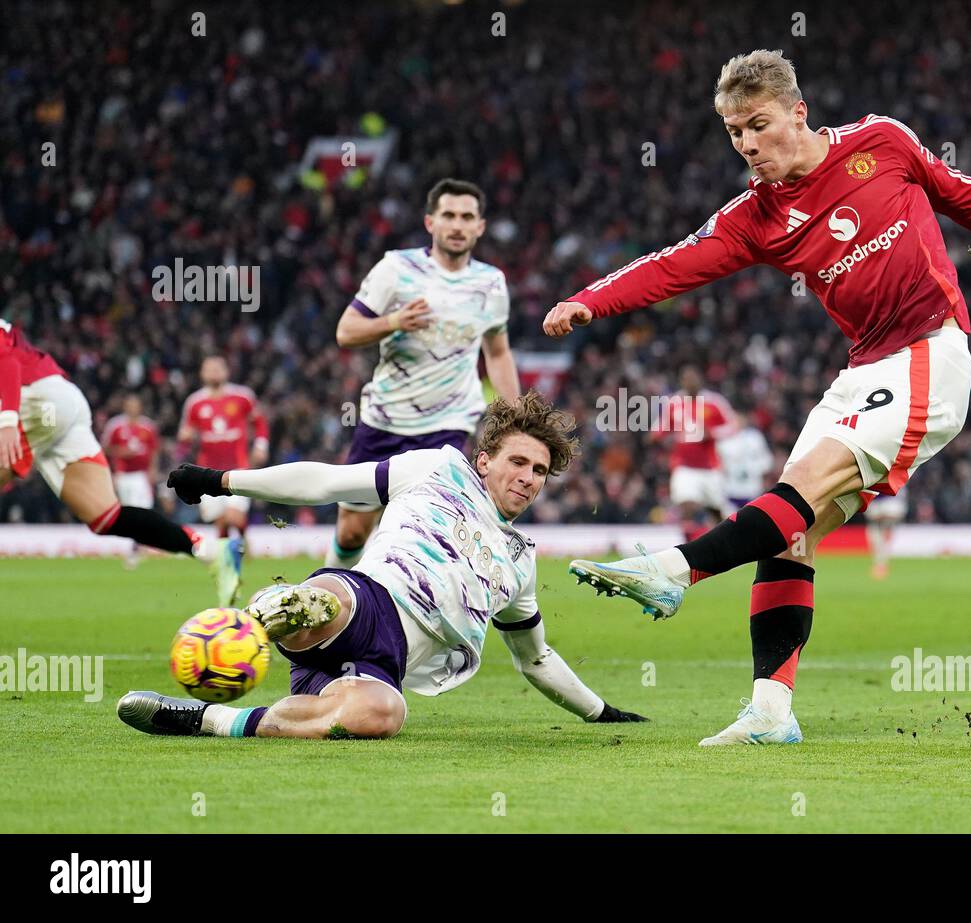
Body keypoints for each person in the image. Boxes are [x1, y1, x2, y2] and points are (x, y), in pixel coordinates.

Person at [544, 49, 971, 745]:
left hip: (930, 353)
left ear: (798, 111)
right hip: (863, 371)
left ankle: (674, 569)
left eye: (758, 125)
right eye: (734, 132)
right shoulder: (753, 217)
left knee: (800, 493)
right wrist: (589, 301)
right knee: (789, 530)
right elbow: (672, 265)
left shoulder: (882, 141)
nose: (747, 145)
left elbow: (956, 190)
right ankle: (770, 710)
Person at [117, 392, 646, 739]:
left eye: (540, 471)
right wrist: (222, 481)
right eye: (518, 461)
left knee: (383, 717)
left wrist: (599, 711)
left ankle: (205, 718)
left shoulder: (520, 563)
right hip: (366, 601)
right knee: (311, 602)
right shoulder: (439, 468)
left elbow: (536, 659)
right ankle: (254, 621)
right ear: (484, 460)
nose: (529, 477)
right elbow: (326, 482)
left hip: (386, 664)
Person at [328, 179, 520, 570]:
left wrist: (516, 415)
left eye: (467, 217)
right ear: (430, 222)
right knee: (352, 533)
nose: (457, 225)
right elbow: (346, 332)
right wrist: (395, 321)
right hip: (385, 419)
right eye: (448, 215)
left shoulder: (490, 283)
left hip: (447, 424)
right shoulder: (397, 268)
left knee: (426, 528)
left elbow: (497, 352)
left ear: (480, 227)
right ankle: (320, 594)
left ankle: (408, 616)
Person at [0, 318, 241, 601]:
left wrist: (7, 420)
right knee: (105, 517)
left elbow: (7, 361)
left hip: (34, 400)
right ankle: (211, 552)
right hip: (62, 401)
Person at [177, 355, 269, 548]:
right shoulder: (195, 403)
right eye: (209, 369)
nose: (214, 372)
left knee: (233, 516)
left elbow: (259, 422)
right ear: (202, 373)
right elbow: (185, 434)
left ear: (226, 371)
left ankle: (242, 540)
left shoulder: (242, 396)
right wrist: (185, 440)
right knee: (221, 521)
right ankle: (227, 562)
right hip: (207, 471)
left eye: (218, 368)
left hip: (238, 467)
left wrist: (261, 446)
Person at [658, 366, 737, 540]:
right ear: (682, 381)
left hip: (710, 467)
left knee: (716, 510)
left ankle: (721, 544)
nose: (691, 382)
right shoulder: (673, 403)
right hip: (684, 465)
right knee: (686, 504)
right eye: (687, 378)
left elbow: (733, 426)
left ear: (700, 380)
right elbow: (662, 428)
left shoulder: (714, 402)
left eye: (693, 378)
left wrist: (713, 433)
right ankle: (688, 549)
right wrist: (657, 436)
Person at [101, 394, 160, 569]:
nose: (133, 408)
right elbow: (105, 448)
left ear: (140, 407)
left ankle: (137, 548)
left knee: (143, 509)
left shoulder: (148, 427)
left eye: (136, 405)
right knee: (131, 511)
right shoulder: (115, 426)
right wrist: (121, 453)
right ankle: (138, 546)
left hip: (141, 475)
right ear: (125, 406)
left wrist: (152, 470)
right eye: (130, 404)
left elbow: (154, 450)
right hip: (123, 475)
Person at [865, 486, 907, 580]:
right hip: (875, 505)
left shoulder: (895, 479)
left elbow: (900, 502)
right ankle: (880, 564)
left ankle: (882, 564)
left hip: (890, 505)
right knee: (875, 535)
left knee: (884, 535)